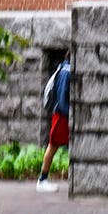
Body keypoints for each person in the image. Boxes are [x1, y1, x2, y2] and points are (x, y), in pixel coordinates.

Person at [37, 53, 72, 192]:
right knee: (53, 145)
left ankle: (43, 179)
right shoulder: (66, 71)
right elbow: (63, 98)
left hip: (63, 114)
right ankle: (42, 180)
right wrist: (69, 114)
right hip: (62, 115)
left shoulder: (64, 69)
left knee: (56, 145)